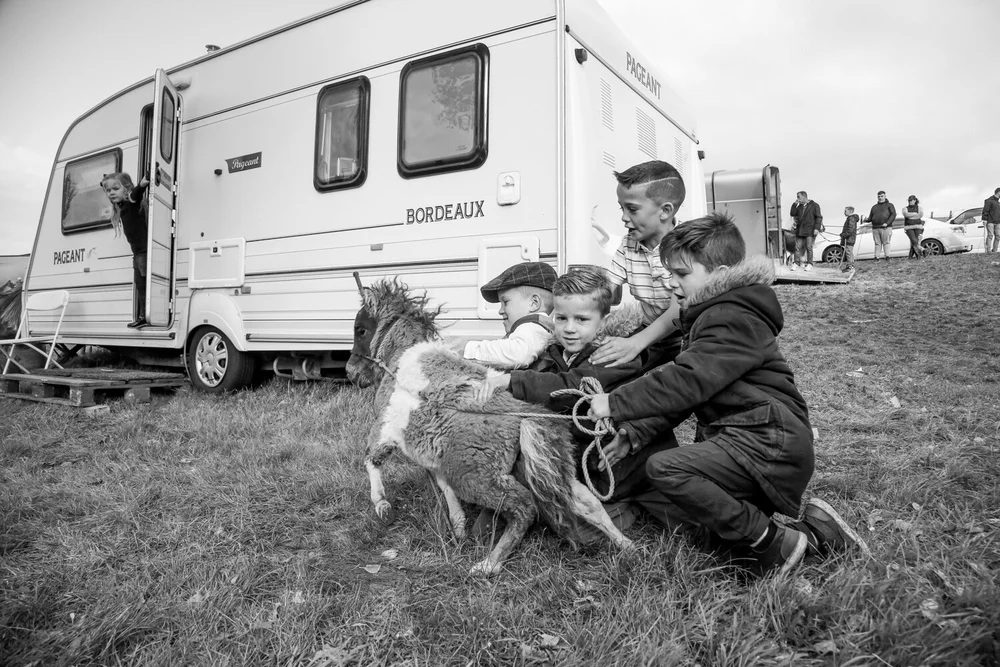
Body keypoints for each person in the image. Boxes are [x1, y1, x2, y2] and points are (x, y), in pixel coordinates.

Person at [588, 212, 864, 576]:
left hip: (767, 442)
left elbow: (687, 380)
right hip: (754, 440)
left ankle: (771, 543)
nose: (672, 285)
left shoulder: (730, 316)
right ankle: (816, 533)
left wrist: (615, 402)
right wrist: (635, 432)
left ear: (718, 275)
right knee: (719, 540)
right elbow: (694, 393)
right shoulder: (715, 313)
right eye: (670, 273)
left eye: (681, 274)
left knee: (665, 467)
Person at [479, 266, 677, 506]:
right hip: (592, 464)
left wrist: (512, 380)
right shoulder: (556, 354)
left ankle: (635, 502)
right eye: (562, 318)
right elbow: (548, 385)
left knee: (578, 528)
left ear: (604, 320)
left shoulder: (614, 355)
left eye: (582, 319)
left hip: (627, 466)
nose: (569, 328)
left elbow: (572, 385)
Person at [591, 160, 685, 372]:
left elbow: (678, 310)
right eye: (622, 208)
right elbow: (606, 290)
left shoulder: (686, 246)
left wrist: (636, 343)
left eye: (632, 209)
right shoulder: (627, 244)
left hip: (684, 336)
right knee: (603, 362)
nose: (624, 218)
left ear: (665, 211)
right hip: (649, 332)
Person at [459, 261, 557, 370]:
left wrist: (468, 349)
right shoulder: (534, 329)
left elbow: (519, 354)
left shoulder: (533, 326)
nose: (500, 311)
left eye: (505, 302)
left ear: (534, 303)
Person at [102, 172, 149, 328]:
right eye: (108, 191)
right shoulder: (122, 207)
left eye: (116, 188)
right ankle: (142, 315)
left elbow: (135, 195)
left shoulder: (131, 203)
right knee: (140, 285)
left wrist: (142, 184)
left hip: (143, 251)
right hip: (137, 253)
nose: (111, 193)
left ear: (126, 189)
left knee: (144, 285)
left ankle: (145, 316)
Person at [788, 191, 823, 272]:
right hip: (800, 230)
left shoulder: (814, 205)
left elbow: (818, 217)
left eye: (798, 197)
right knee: (797, 248)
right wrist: (794, 204)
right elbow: (792, 213)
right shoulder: (799, 206)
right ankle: (796, 263)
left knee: (809, 247)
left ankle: (809, 264)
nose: (797, 198)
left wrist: (816, 228)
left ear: (804, 197)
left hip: (810, 230)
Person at [867, 190, 896, 262]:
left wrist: (887, 223)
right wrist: (866, 220)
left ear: (885, 196)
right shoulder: (874, 207)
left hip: (886, 227)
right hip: (875, 227)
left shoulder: (889, 205)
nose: (880, 198)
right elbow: (870, 217)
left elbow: (893, 215)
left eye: (881, 196)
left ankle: (887, 256)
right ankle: (876, 257)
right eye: (878, 196)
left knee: (886, 242)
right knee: (877, 243)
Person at [840, 206, 859, 272]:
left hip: (849, 239)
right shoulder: (850, 218)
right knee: (849, 252)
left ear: (850, 211)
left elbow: (850, 229)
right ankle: (851, 265)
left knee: (848, 252)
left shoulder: (851, 218)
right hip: (850, 238)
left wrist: (844, 235)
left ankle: (850, 266)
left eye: (845, 211)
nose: (844, 212)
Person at [983, 187, 1000, 254]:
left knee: (998, 236)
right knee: (990, 235)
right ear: (998, 192)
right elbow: (985, 210)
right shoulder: (989, 200)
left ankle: (994, 250)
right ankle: (988, 250)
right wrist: (984, 219)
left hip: (998, 222)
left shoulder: (997, 202)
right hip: (990, 222)